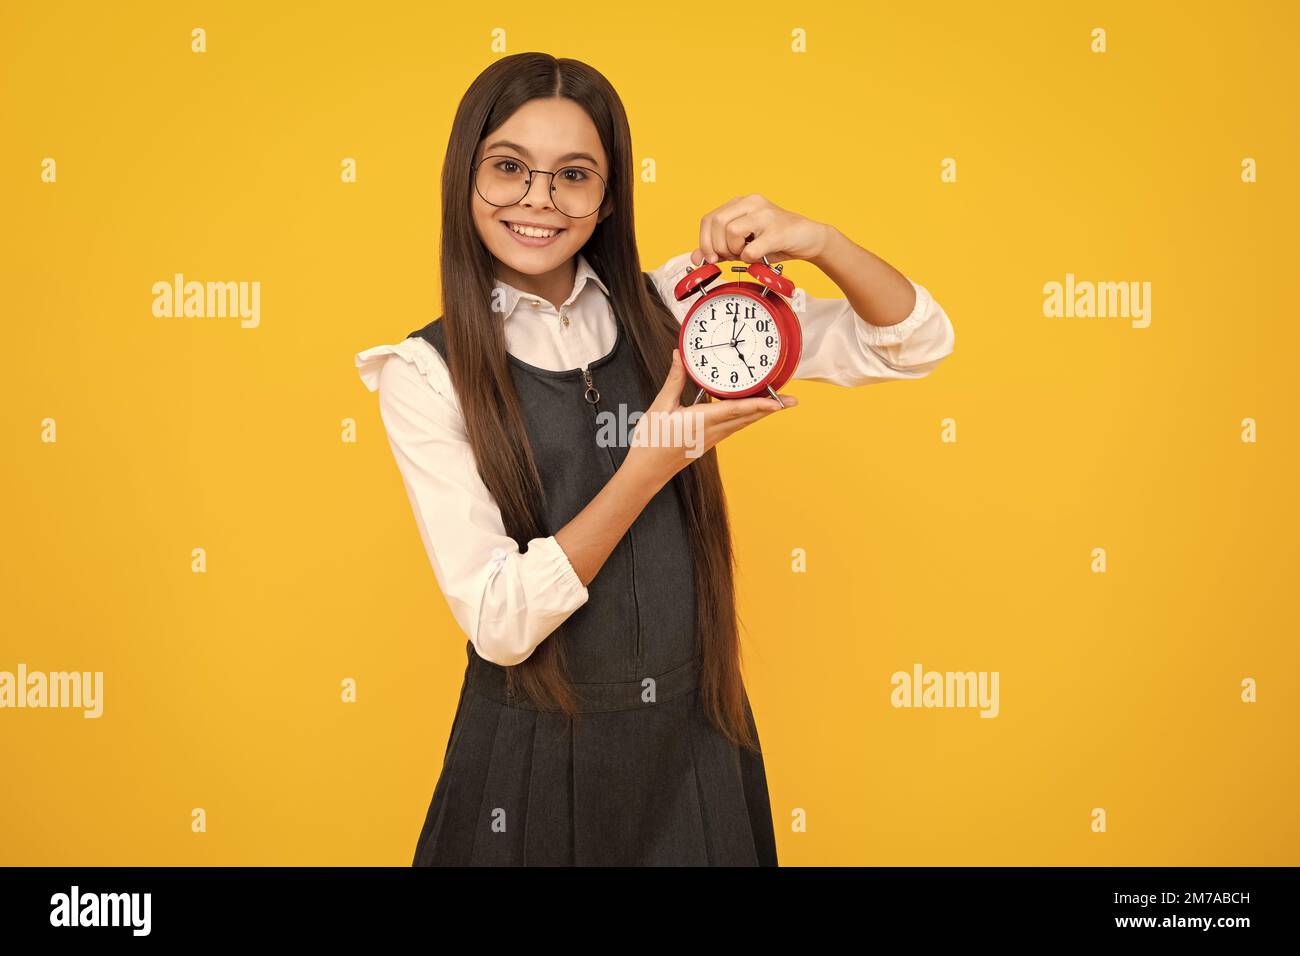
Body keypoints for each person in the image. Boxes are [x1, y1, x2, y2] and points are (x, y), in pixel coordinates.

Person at [354, 52, 955, 866]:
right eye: (508, 169)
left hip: (690, 740)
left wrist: (819, 240)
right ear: (465, 180)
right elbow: (499, 622)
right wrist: (648, 466)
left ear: (606, 201)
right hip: (531, 757)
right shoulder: (424, 375)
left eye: (573, 175)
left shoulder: (683, 305)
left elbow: (911, 344)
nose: (538, 199)